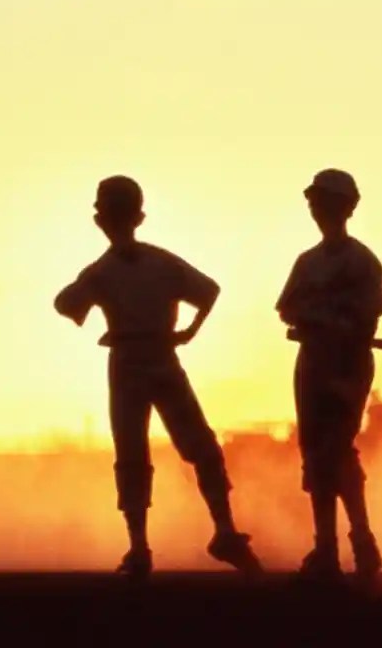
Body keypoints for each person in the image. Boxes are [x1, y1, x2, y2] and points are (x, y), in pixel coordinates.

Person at [53, 175, 262, 579]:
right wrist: (189, 331)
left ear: (103, 220)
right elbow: (209, 291)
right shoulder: (129, 268)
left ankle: (182, 539)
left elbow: (66, 303)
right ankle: (164, 541)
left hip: (147, 361)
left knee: (177, 450)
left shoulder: (109, 271)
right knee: (160, 452)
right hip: (145, 360)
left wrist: (187, 332)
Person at [276, 168, 382, 585]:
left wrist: (333, 323)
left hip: (346, 364)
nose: (317, 209)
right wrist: (315, 319)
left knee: (336, 450)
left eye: (325, 202)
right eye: (315, 202)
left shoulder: (361, 261)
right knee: (315, 455)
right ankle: (326, 548)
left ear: (347, 207)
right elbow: (287, 308)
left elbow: (369, 317)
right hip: (313, 362)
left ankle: (360, 542)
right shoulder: (308, 262)